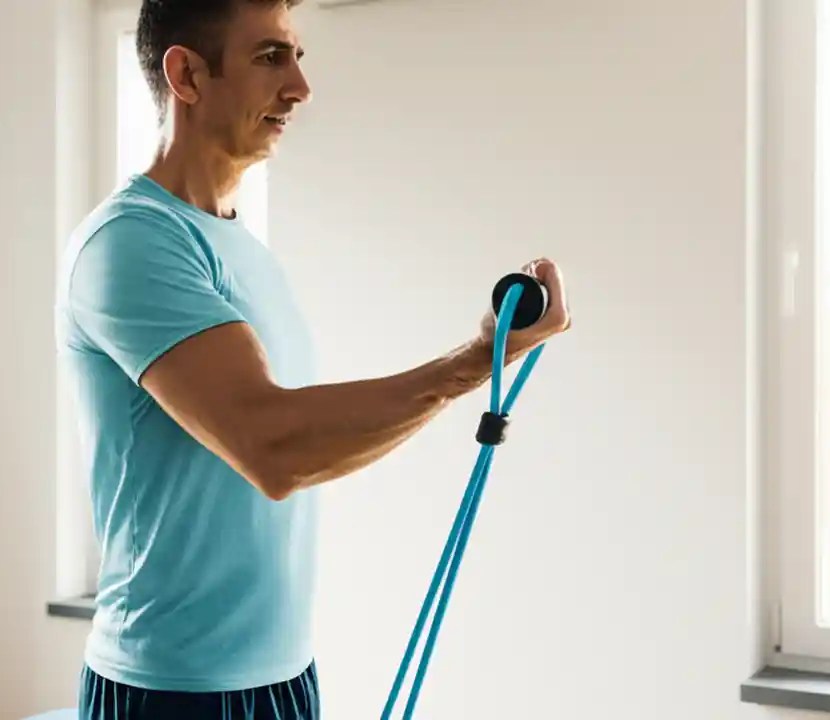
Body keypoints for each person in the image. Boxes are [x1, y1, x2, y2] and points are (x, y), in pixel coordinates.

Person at [55, 0, 573, 717]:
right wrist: (474, 363)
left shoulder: (240, 249)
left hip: (284, 676)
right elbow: (276, 447)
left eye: (297, 57)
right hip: (173, 688)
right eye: (270, 57)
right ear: (188, 75)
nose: (300, 87)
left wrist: (479, 361)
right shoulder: (132, 243)